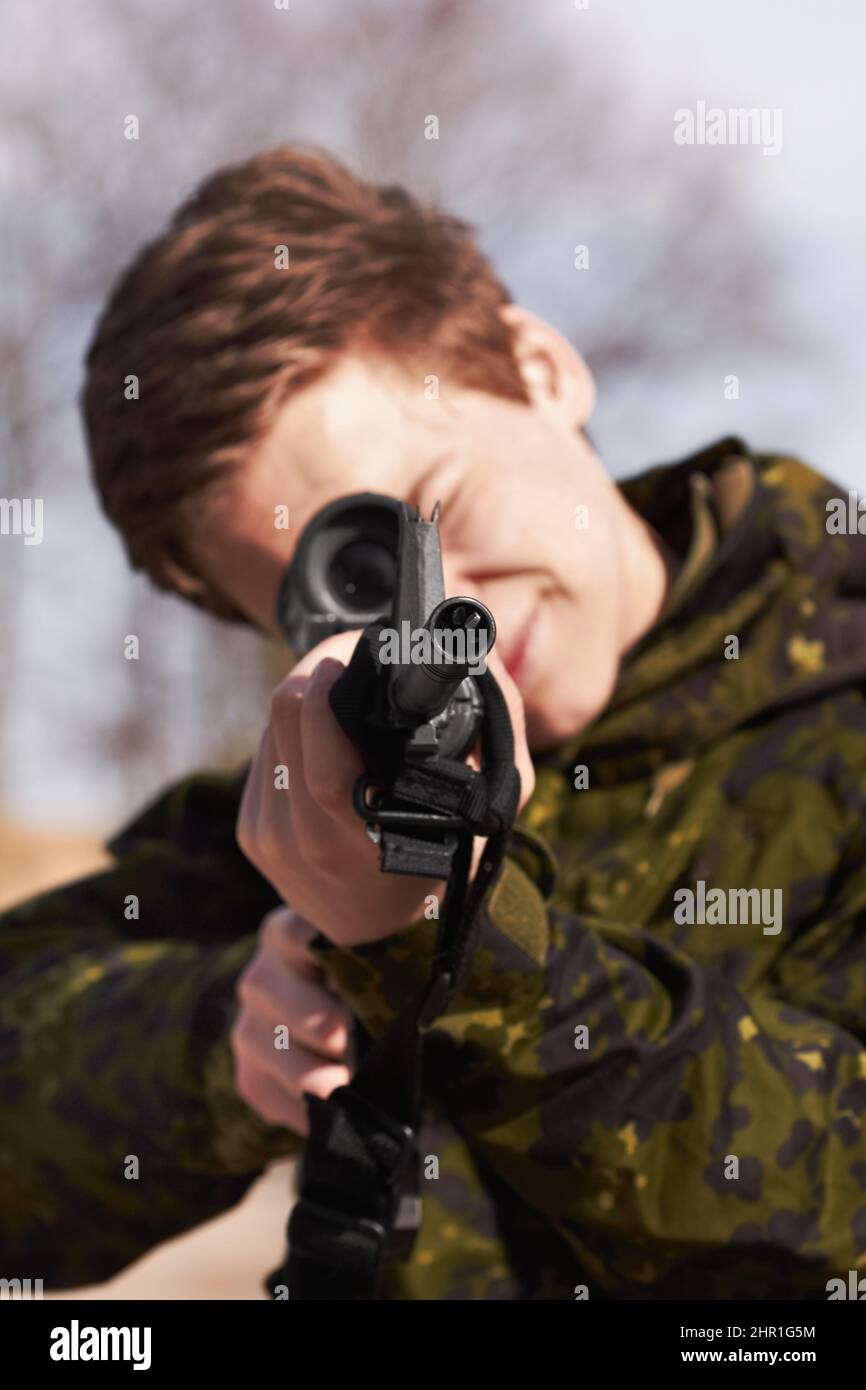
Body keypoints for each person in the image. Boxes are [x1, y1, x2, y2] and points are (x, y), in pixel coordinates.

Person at [3, 145, 866, 1300]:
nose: (443, 613)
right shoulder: (308, 833)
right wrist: (232, 1039)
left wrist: (447, 948)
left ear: (540, 366)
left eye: (435, 511)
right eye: (357, 590)